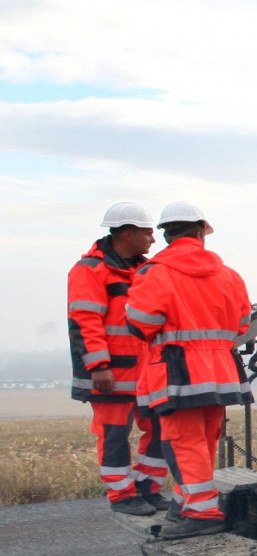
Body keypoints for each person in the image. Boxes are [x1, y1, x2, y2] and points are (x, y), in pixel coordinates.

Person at [124, 200, 254, 539]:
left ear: (167, 235)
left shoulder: (154, 272)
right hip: (222, 370)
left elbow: (142, 323)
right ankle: (186, 502)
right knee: (205, 438)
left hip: (176, 371)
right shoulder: (229, 275)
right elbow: (242, 325)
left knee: (183, 441)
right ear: (201, 233)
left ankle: (202, 512)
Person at [67, 201, 170, 515]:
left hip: (146, 372)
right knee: (114, 435)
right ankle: (121, 495)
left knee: (162, 431)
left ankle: (146, 488)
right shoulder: (89, 269)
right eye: (147, 233)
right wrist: (99, 366)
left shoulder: (143, 270)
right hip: (111, 373)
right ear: (127, 233)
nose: (153, 240)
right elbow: (84, 320)